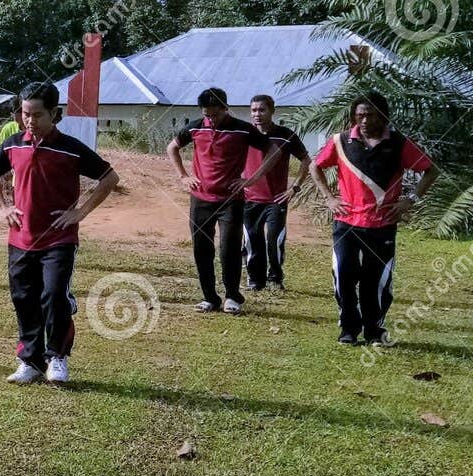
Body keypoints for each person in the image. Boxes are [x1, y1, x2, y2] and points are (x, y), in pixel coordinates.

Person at [0, 82, 119, 385]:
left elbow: (110, 178)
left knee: (54, 295)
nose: (30, 121)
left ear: (54, 114)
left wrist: (80, 212)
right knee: (23, 297)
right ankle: (29, 361)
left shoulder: (70, 148)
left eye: (37, 115)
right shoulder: (13, 144)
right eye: (25, 114)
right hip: (21, 237)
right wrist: (2, 207)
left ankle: (57, 356)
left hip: (59, 238)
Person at [309, 92, 436, 347]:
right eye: (359, 115)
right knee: (343, 273)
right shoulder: (341, 141)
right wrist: (329, 198)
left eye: (369, 115)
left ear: (382, 115)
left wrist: (410, 199)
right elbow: (315, 166)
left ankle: (374, 330)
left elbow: (431, 170)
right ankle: (348, 328)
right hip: (346, 222)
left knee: (375, 280)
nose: (364, 120)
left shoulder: (399, 144)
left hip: (382, 225)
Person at [166, 88, 280, 315]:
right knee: (202, 249)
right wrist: (183, 176)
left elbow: (273, 151)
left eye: (215, 114)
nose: (211, 119)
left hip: (231, 201)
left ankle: (232, 297)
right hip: (200, 199)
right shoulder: (197, 126)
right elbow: (172, 147)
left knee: (229, 249)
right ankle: (210, 298)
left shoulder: (242, 129)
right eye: (207, 115)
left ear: (225, 108)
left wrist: (251, 179)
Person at [242, 93, 310, 292]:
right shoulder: (245, 134)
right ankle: (255, 279)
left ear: (272, 111)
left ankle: (275, 278)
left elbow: (306, 160)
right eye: (254, 110)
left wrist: (294, 187)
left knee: (274, 239)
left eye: (262, 110)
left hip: (276, 199)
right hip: (249, 198)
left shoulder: (285, 135)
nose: (257, 114)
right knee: (252, 239)